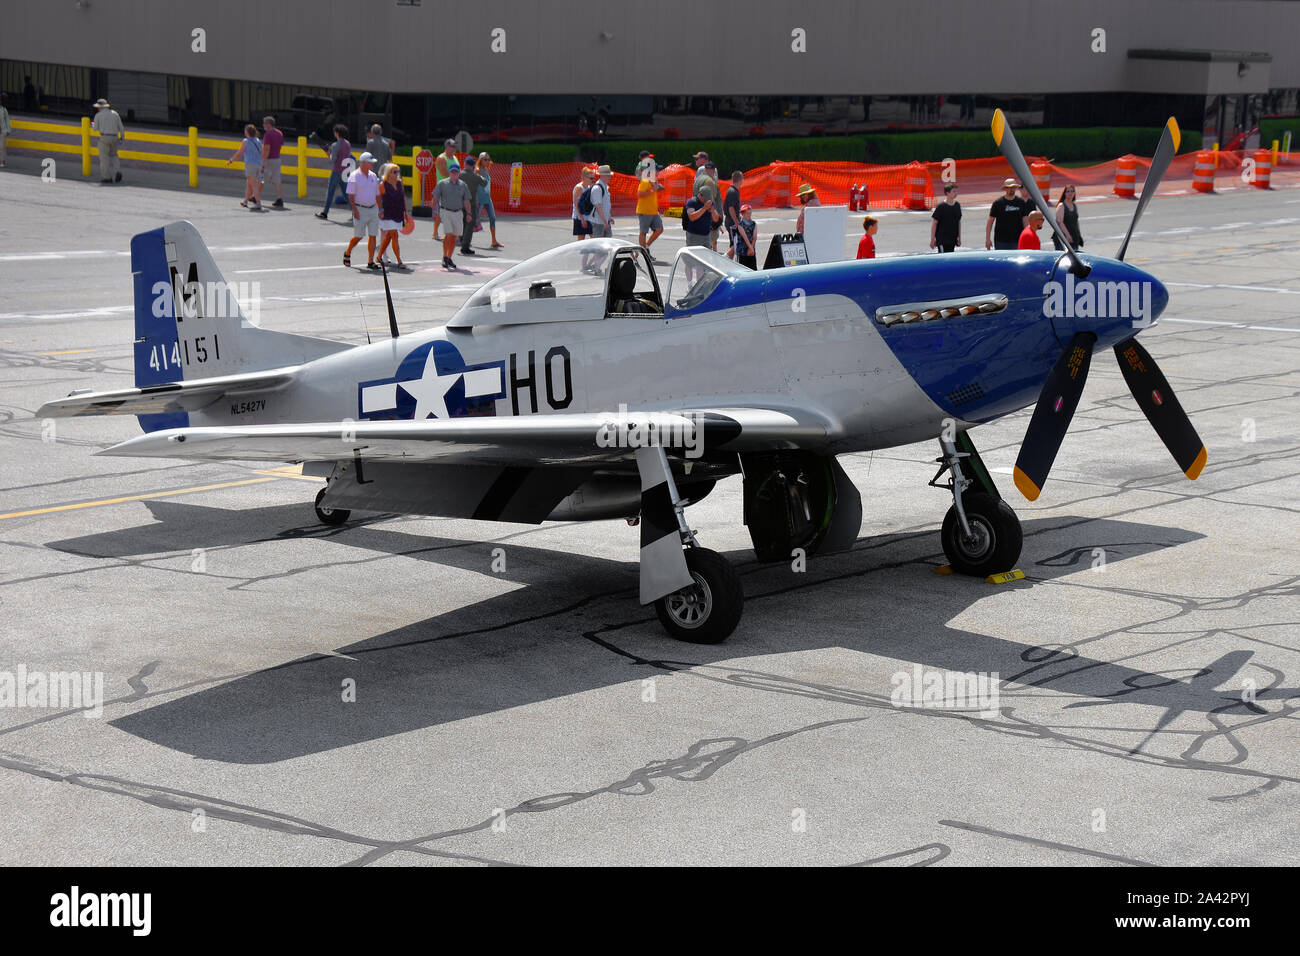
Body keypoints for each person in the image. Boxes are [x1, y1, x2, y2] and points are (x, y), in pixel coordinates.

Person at [344, 152, 381, 268]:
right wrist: (354, 210)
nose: (372, 165)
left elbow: (377, 194)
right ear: (364, 163)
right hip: (360, 209)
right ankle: (348, 252)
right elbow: (350, 195)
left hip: (373, 209)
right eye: (370, 163)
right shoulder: (354, 176)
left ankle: (370, 261)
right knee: (358, 236)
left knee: (373, 235)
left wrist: (381, 209)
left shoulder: (373, 176)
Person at [432, 164, 471, 269]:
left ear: (459, 173)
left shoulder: (463, 185)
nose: (454, 174)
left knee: (454, 237)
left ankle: (449, 257)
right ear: (449, 173)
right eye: (452, 172)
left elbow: (467, 200)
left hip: (458, 212)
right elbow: (435, 198)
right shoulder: (442, 184)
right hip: (446, 211)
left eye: (456, 172)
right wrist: (434, 211)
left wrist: (469, 213)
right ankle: (444, 256)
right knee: (448, 234)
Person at [315, 124, 351, 220]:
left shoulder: (335, 145)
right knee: (346, 193)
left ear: (337, 133)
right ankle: (355, 212)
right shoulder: (347, 144)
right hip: (345, 170)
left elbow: (333, 159)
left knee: (330, 192)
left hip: (336, 171)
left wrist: (328, 153)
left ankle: (325, 212)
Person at [375, 163, 408, 268]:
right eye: (394, 172)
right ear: (388, 173)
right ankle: (399, 261)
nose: (397, 174)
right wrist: (380, 209)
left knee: (389, 236)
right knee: (394, 235)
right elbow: (378, 198)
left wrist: (405, 212)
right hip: (387, 213)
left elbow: (403, 197)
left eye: (397, 171)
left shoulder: (399, 183)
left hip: (397, 212)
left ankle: (379, 256)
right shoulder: (383, 184)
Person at [226, 123, 264, 209]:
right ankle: (245, 201)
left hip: (250, 164)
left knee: (253, 185)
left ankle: (258, 203)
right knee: (249, 184)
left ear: (247, 132)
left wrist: (231, 160)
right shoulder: (258, 141)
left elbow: (240, 153)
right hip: (258, 164)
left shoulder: (246, 141)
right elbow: (262, 153)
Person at [985, 178, 1028, 250]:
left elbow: (1025, 220)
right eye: (1009, 188)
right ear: (1005, 189)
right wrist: (987, 239)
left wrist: (1027, 236)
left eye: (1013, 187)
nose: (1011, 189)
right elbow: (990, 221)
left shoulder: (1021, 202)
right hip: (1001, 240)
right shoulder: (998, 203)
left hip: (1017, 239)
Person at [90, 98, 125, 183]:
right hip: (114, 137)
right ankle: (117, 171)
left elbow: (95, 129)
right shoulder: (115, 114)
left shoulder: (98, 115)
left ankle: (107, 177)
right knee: (114, 156)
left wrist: (92, 125)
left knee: (104, 158)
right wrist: (122, 137)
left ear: (100, 107)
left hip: (104, 137)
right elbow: (121, 127)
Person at [636, 161, 665, 261]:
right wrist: (653, 189)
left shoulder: (653, 180)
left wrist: (658, 187)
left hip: (653, 211)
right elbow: (640, 194)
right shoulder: (645, 181)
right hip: (644, 211)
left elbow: (655, 189)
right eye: (657, 170)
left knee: (659, 229)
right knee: (643, 232)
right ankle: (643, 252)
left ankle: (646, 247)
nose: (658, 172)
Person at [432, 139, 460, 240]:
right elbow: (444, 173)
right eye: (453, 146)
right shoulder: (441, 158)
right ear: (447, 147)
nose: (454, 148)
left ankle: (450, 233)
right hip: (443, 188)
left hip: (454, 188)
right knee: (443, 212)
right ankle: (436, 233)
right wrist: (457, 176)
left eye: (455, 146)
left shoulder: (455, 158)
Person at [458, 155, 485, 256]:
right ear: (473, 166)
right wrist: (478, 173)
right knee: (470, 225)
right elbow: (484, 183)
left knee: (462, 223)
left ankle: (462, 240)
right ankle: (465, 246)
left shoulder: (459, 174)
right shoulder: (475, 176)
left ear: (465, 164)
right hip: (471, 203)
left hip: (459, 202)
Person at [476, 152, 503, 249]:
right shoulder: (478, 171)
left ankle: (494, 241)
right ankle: (461, 237)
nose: (487, 161)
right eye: (485, 159)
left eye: (488, 159)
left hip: (487, 198)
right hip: (479, 199)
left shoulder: (486, 170)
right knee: (473, 220)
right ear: (480, 161)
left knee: (492, 217)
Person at [260, 116, 285, 208]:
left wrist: (263, 161)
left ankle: (255, 196)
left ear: (268, 124)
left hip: (269, 159)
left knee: (261, 178)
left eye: (264, 123)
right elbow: (280, 145)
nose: (263, 125)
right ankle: (279, 198)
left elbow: (266, 149)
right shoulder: (279, 133)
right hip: (277, 158)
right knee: (277, 179)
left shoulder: (268, 134)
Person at [929, 183, 961, 252]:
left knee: (950, 259)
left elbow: (958, 222)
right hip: (942, 239)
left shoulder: (957, 205)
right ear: (947, 193)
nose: (956, 193)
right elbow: (935, 223)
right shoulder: (941, 206)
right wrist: (932, 239)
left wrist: (959, 237)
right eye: (954, 191)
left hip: (952, 239)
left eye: (956, 191)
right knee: (943, 259)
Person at [1053, 185, 1083, 251]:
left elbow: (1076, 221)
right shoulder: (1061, 206)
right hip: (1062, 238)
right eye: (1068, 191)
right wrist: (1067, 235)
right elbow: (1060, 222)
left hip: (1073, 236)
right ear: (1064, 193)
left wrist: (1078, 235)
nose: (1070, 193)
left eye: (1072, 191)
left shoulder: (1074, 205)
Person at [588, 164, 614, 238]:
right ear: (601, 176)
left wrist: (609, 217)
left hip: (605, 221)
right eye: (607, 176)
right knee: (598, 244)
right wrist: (605, 222)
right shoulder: (597, 188)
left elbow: (605, 205)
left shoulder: (605, 187)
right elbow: (598, 206)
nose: (609, 177)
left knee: (608, 243)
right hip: (598, 222)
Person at [723, 171, 743, 259]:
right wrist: (736, 222)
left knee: (733, 243)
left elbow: (734, 208)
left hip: (732, 220)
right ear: (740, 179)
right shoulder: (733, 192)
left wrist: (739, 215)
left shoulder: (734, 191)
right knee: (736, 243)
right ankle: (725, 258)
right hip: (731, 222)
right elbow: (731, 208)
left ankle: (729, 262)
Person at [572, 166, 594, 240]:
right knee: (581, 238)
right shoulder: (579, 188)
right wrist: (582, 219)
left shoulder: (589, 187)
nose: (592, 180)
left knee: (593, 235)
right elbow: (576, 204)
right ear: (584, 178)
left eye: (593, 178)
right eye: (591, 178)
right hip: (579, 217)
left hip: (588, 216)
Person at [734, 203, 758, 270]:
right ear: (742, 214)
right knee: (742, 270)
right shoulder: (740, 225)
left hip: (751, 251)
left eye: (750, 213)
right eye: (747, 213)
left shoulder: (754, 223)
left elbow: (755, 237)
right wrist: (751, 248)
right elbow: (745, 238)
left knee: (753, 270)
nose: (749, 215)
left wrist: (751, 249)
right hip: (742, 252)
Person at [0, 94, 10, 167]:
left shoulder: (3, 109)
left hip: (2, 131)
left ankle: (2, 161)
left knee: (2, 147)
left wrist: (8, 130)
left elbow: (7, 121)